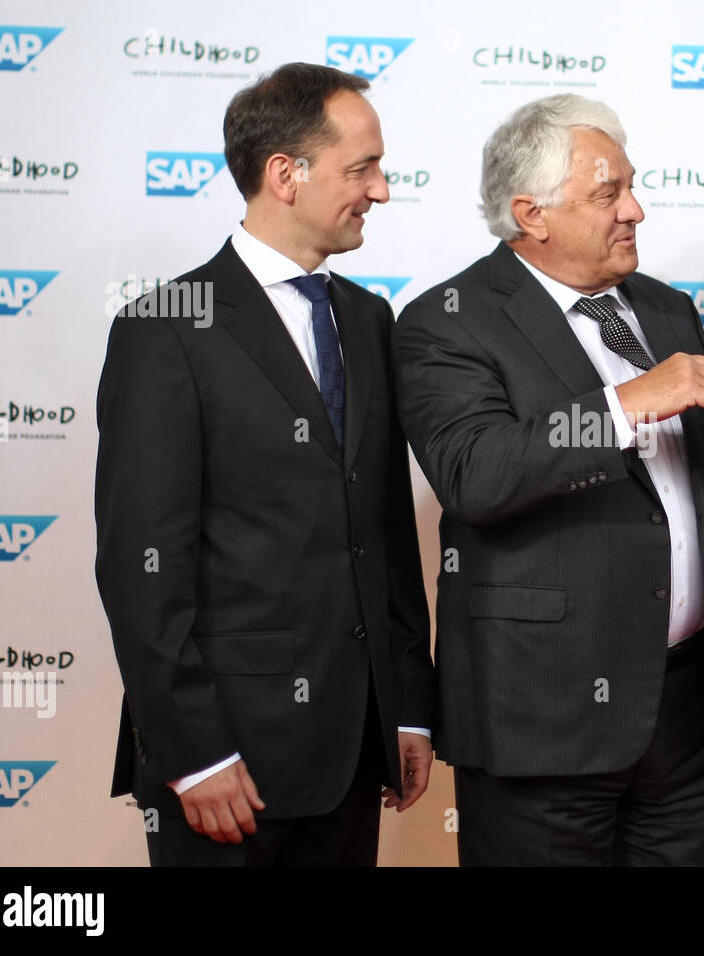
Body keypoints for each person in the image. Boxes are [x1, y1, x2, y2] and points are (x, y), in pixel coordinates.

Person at [392, 93, 704, 866]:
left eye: (631, 185)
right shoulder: (447, 319)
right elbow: (476, 474)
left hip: (686, 713)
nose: (636, 210)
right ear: (532, 213)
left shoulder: (668, 310)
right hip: (540, 721)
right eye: (607, 193)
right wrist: (625, 404)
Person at [94, 62, 435, 866]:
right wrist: (193, 750)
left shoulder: (367, 317)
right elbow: (141, 564)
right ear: (285, 174)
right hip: (227, 765)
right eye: (362, 168)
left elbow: (383, 533)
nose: (381, 191)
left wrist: (409, 709)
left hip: (355, 752)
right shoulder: (166, 326)